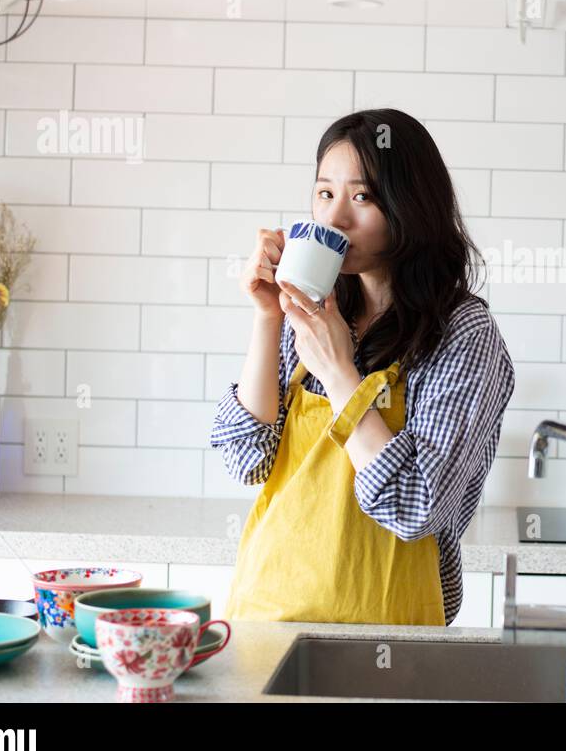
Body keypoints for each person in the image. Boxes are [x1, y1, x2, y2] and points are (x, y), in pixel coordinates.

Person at [209, 108, 515, 626]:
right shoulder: (312, 308)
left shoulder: (461, 334)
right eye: (325, 194)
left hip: (389, 629)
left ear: (411, 206)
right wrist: (267, 317)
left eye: (362, 197)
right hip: (266, 613)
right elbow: (246, 460)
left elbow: (416, 506)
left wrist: (339, 374)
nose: (335, 219)